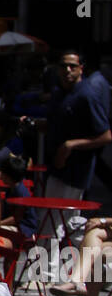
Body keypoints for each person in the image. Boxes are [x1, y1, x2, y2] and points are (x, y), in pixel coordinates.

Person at [41, 50, 111, 201]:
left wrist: (71, 145)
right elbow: (54, 123)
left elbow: (106, 136)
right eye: (63, 66)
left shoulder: (87, 95)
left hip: (76, 172)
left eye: (72, 66)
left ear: (81, 68)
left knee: (67, 214)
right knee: (48, 212)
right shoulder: (57, 93)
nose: (67, 70)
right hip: (54, 168)